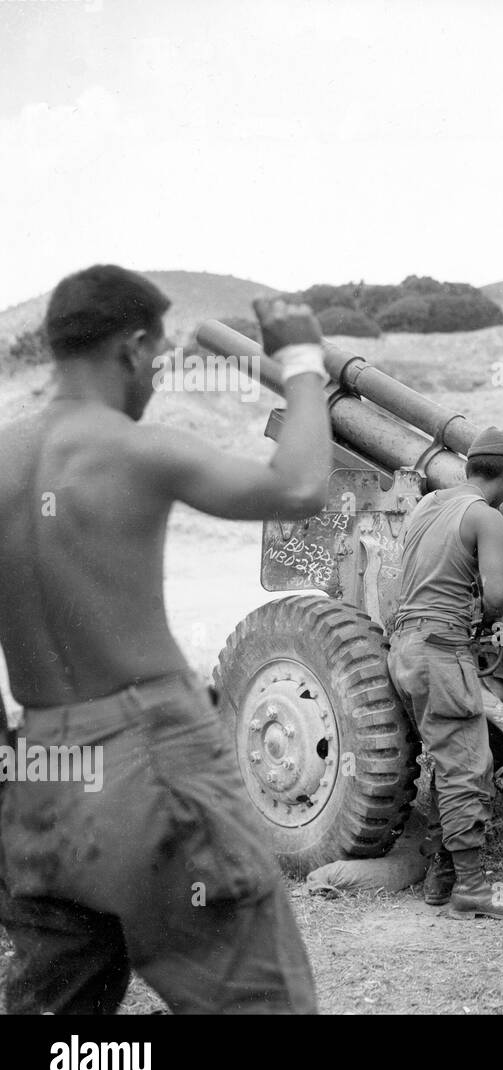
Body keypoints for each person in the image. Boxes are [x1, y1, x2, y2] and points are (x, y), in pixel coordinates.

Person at [0, 266, 328, 1013]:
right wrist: (302, 361)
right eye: (156, 357)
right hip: (154, 765)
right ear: (133, 345)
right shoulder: (137, 450)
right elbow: (302, 486)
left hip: (43, 780)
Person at [388, 426, 503, 919]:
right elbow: (497, 596)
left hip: (406, 646)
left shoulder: (428, 506)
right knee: (470, 766)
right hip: (441, 650)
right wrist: (494, 615)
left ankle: (441, 877)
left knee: (450, 758)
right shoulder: (487, 516)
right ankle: (470, 888)